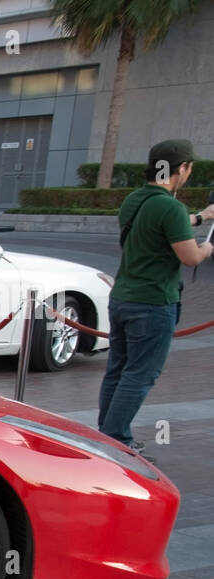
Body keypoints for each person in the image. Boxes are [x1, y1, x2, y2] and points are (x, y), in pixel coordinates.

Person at [98, 139, 214, 459]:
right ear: (181, 169)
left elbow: (163, 221)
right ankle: (116, 440)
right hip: (153, 303)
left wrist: (201, 217)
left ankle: (105, 437)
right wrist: (208, 248)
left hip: (123, 298)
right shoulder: (170, 206)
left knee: (118, 370)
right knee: (140, 374)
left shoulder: (134, 200)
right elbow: (189, 257)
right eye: (189, 168)